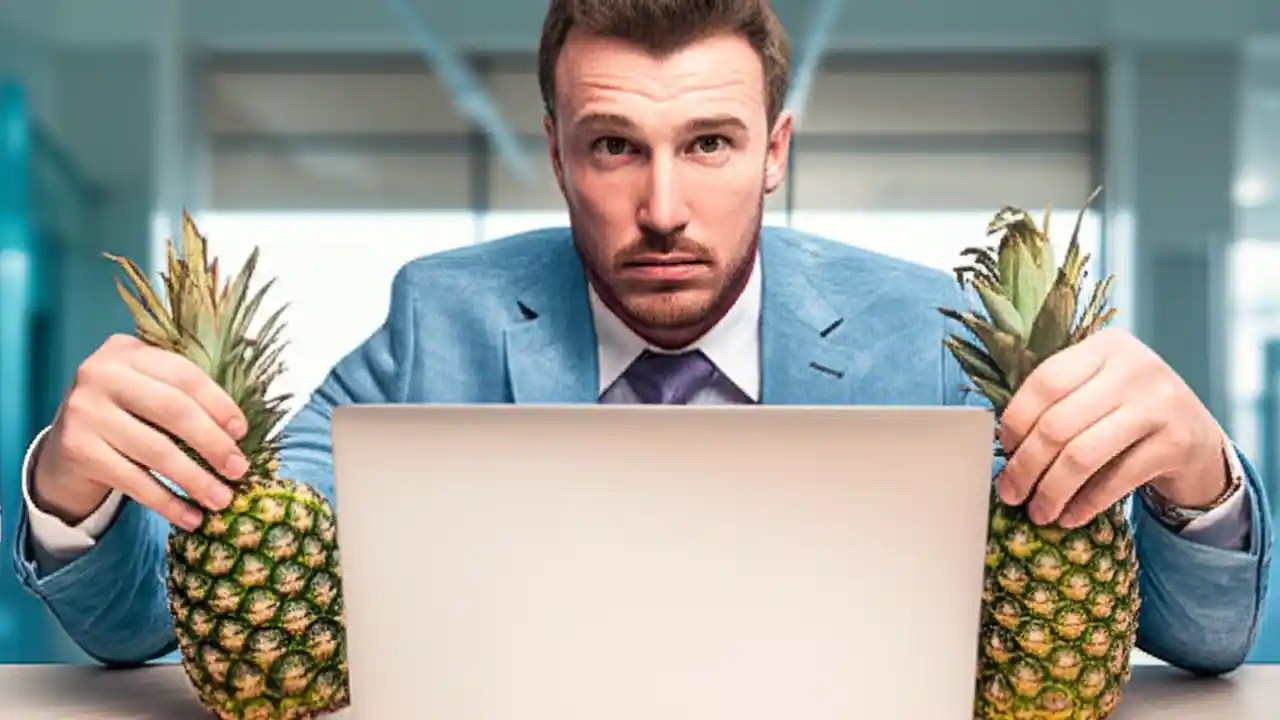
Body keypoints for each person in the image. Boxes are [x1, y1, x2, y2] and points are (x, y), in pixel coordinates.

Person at [12, 0, 1271, 675]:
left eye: (710, 143)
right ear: (556, 150)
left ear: (774, 153)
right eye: (613, 144)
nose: (661, 207)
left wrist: (1195, 488)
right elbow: (158, 631)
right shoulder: (435, 322)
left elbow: (1197, 645)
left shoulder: (927, 336)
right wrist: (69, 494)